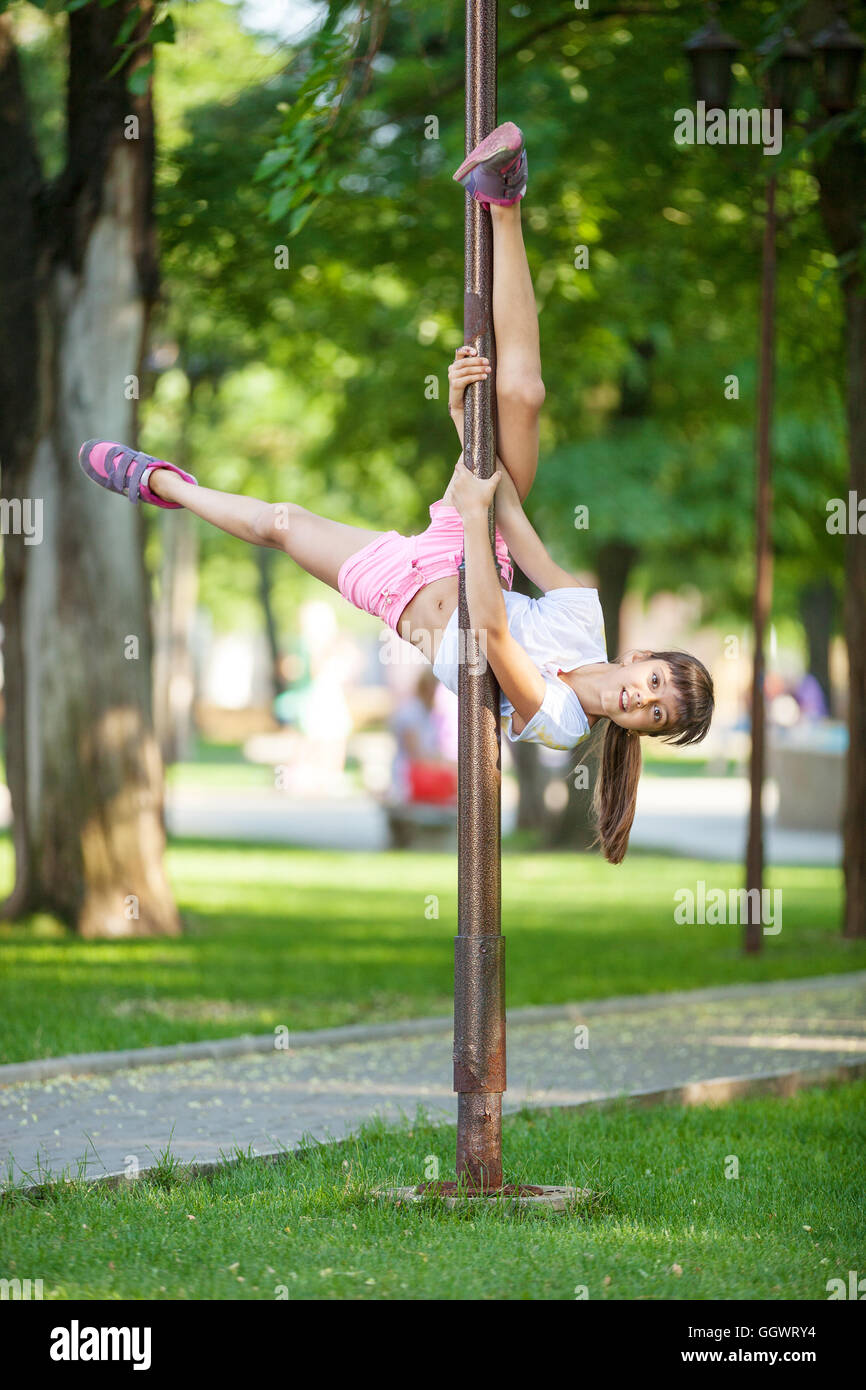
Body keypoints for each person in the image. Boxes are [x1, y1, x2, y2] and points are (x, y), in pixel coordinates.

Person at [79, 122, 713, 862]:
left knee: (282, 523)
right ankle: (504, 200)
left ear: (644, 732)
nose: (643, 696)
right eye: (657, 678)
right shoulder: (583, 615)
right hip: (468, 543)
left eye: (657, 711)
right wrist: (462, 431)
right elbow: (509, 510)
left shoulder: (568, 721)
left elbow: (492, 637)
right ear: (647, 657)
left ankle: (160, 483)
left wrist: (476, 515)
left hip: (409, 603)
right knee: (524, 392)